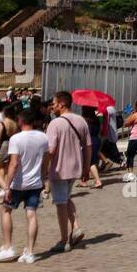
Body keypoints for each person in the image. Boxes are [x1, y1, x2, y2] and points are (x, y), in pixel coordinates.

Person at [0, 107, 49, 264]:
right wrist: (44, 179)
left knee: (6, 210)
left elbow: (13, 164)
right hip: (35, 182)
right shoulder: (43, 137)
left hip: (18, 183)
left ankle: (8, 247)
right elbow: (45, 161)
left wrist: (7, 186)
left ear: (21, 121)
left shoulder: (16, 139)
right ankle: (30, 252)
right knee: (31, 214)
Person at [45, 91, 91, 254]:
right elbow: (88, 146)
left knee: (60, 203)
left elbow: (50, 150)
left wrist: (43, 168)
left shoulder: (55, 124)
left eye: (54, 103)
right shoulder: (81, 121)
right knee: (66, 198)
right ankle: (76, 228)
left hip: (59, 169)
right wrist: (86, 167)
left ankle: (64, 240)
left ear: (62, 104)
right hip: (75, 167)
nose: (52, 106)